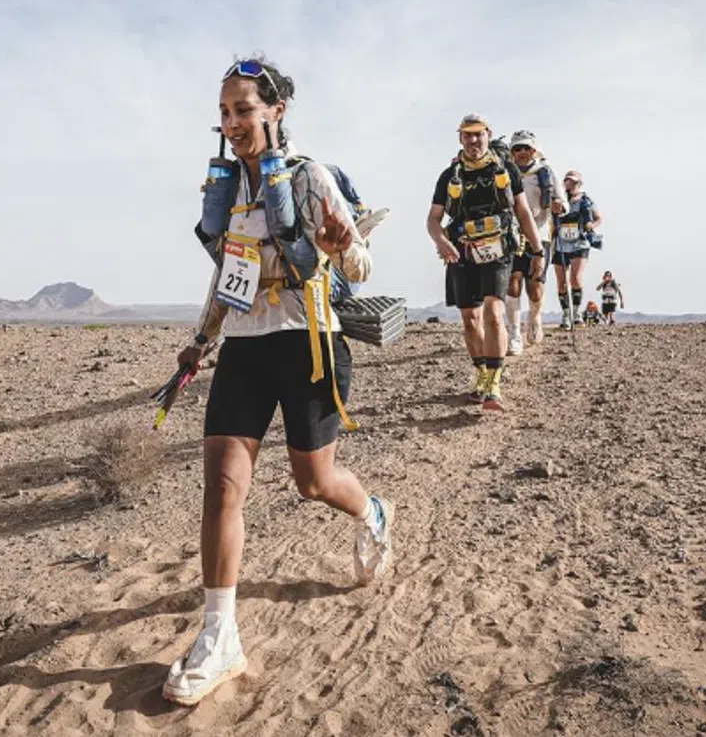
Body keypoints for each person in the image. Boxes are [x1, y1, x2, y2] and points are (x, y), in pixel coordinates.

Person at [163, 56, 394, 707]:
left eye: (243, 108)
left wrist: (343, 241)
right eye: (225, 111)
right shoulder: (227, 188)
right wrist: (201, 337)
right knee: (222, 488)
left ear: (275, 111)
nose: (233, 121)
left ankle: (372, 510)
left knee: (312, 480)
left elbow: (362, 264)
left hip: (307, 344)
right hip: (243, 348)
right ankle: (219, 636)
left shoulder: (307, 174)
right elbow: (228, 273)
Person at [427, 114, 545, 410]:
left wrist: (537, 250)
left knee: (493, 312)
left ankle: (494, 381)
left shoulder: (505, 170)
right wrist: (440, 240)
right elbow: (433, 218)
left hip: (500, 247)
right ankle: (481, 374)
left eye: (478, 134)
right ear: (460, 138)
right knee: (470, 319)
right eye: (467, 135)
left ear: (488, 134)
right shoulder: (449, 175)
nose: (473, 140)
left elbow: (522, 211)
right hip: (462, 249)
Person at [504, 130, 566, 353]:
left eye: (526, 148)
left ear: (534, 150)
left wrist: (560, 205)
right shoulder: (505, 172)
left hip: (540, 235)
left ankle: (535, 316)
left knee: (535, 287)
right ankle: (513, 333)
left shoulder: (546, 172)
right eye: (517, 149)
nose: (522, 153)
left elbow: (562, 199)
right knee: (512, 283)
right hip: (511, 235)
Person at [552, 170, 602, 330]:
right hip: (560, 243)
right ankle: (565, 315)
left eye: (573, 182)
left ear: (579, 183)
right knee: (561, 282)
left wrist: (591, 226)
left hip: (579, 243)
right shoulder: (558, 200)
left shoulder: (586, 200)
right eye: (567, 181)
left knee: (575, 279)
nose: (569, 184)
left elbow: (598, 217)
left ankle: (576, 313)